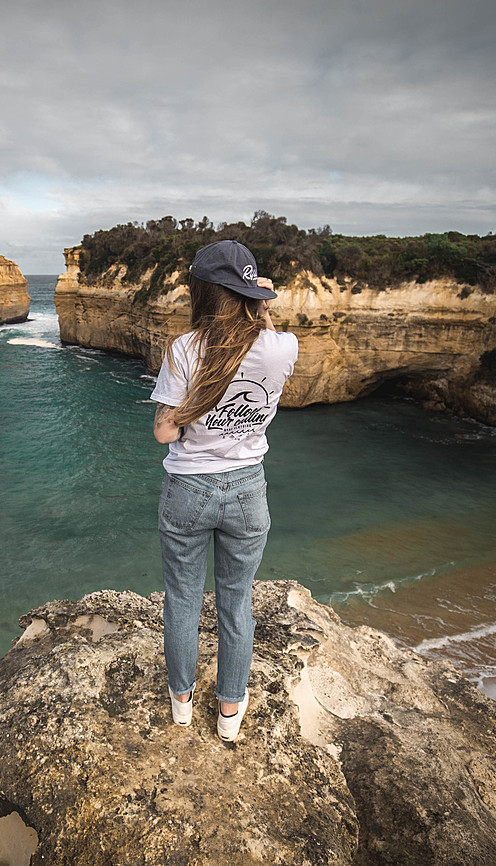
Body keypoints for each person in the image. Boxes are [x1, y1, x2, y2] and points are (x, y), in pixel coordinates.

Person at [150, 239, 299, 742]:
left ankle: (181, 705)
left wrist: (194, 411)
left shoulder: (184, 349)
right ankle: (230, 714)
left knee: (183, 601)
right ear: (250, 293)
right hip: (247, 490)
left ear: (201, 291)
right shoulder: (283, 347)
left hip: (189, 488)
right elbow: (266, 336)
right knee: (237, 602)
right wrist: (259, 304)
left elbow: (165, 432)